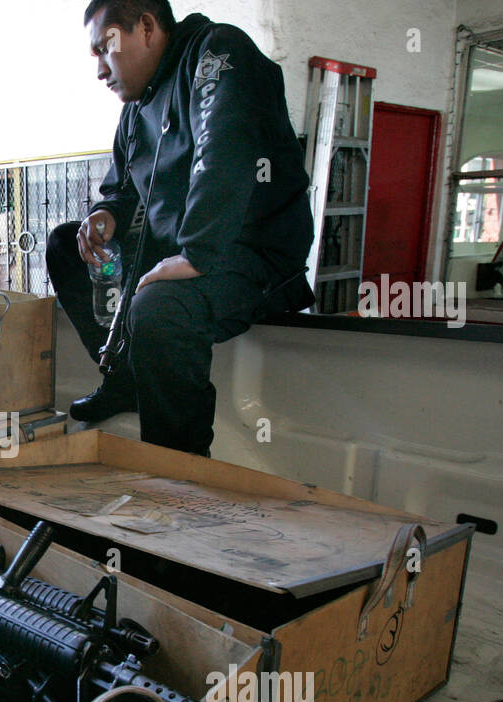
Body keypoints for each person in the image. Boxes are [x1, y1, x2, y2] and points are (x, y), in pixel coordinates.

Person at [47, 0, 315, 456]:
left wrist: (196, 252)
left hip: (249, 254)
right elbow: (124, 188)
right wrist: (106, 215)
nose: (99, 71)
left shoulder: (216, 53)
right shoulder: (137, 108)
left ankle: (180, 473)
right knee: (64, 246)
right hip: (181, 253)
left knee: (159, 309)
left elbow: (223, 149)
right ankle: (125, 377)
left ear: (147, 28)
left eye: (104, 49)